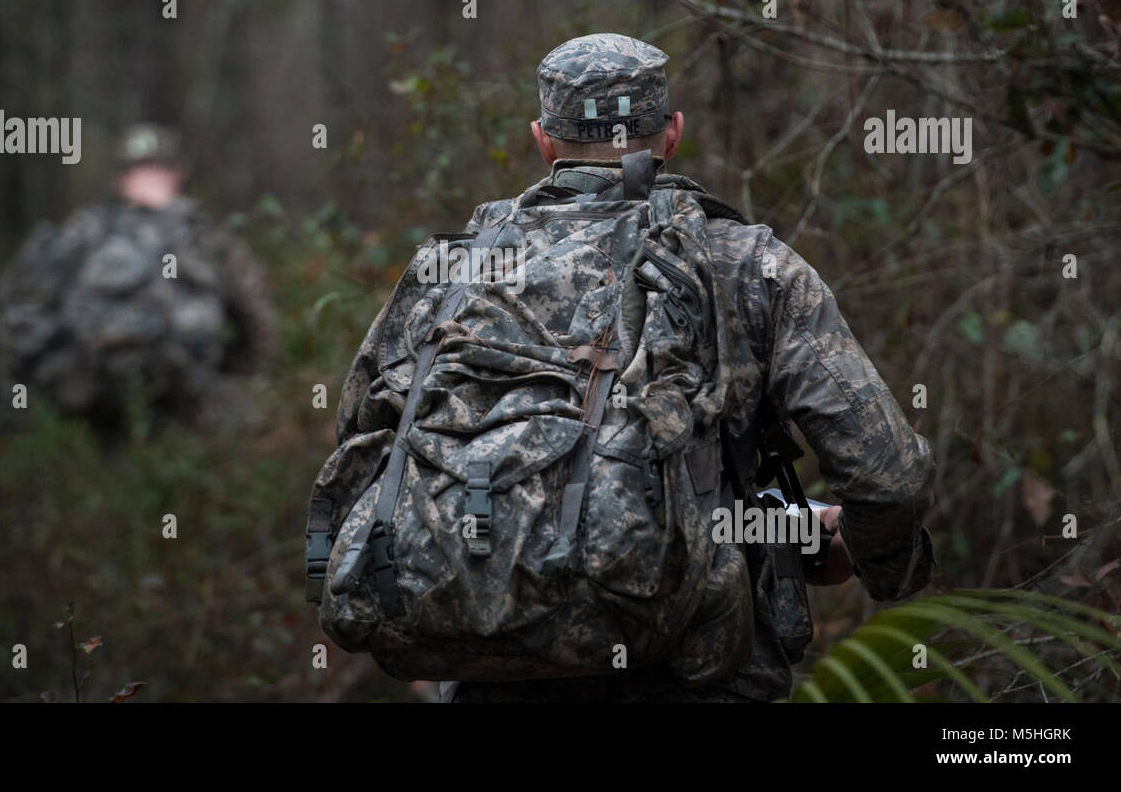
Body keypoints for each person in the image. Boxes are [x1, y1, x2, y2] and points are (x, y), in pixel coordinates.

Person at [313, 34, 935, 702]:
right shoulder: (748, 265)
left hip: (488, 668)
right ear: (672, 132)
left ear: (541, 140)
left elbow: (364, 453)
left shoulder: (452, 270)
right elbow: (885, 476)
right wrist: (880, 564)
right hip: (693, 670)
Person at [0, 123, 276, 429]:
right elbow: (257, 322)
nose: (149, 178)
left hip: (98, 402)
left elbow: (22, 314)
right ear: (178, 173)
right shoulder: (204, 234)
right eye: (144, 170)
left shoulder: (82, 230)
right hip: (164, 402)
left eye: (154, 169)